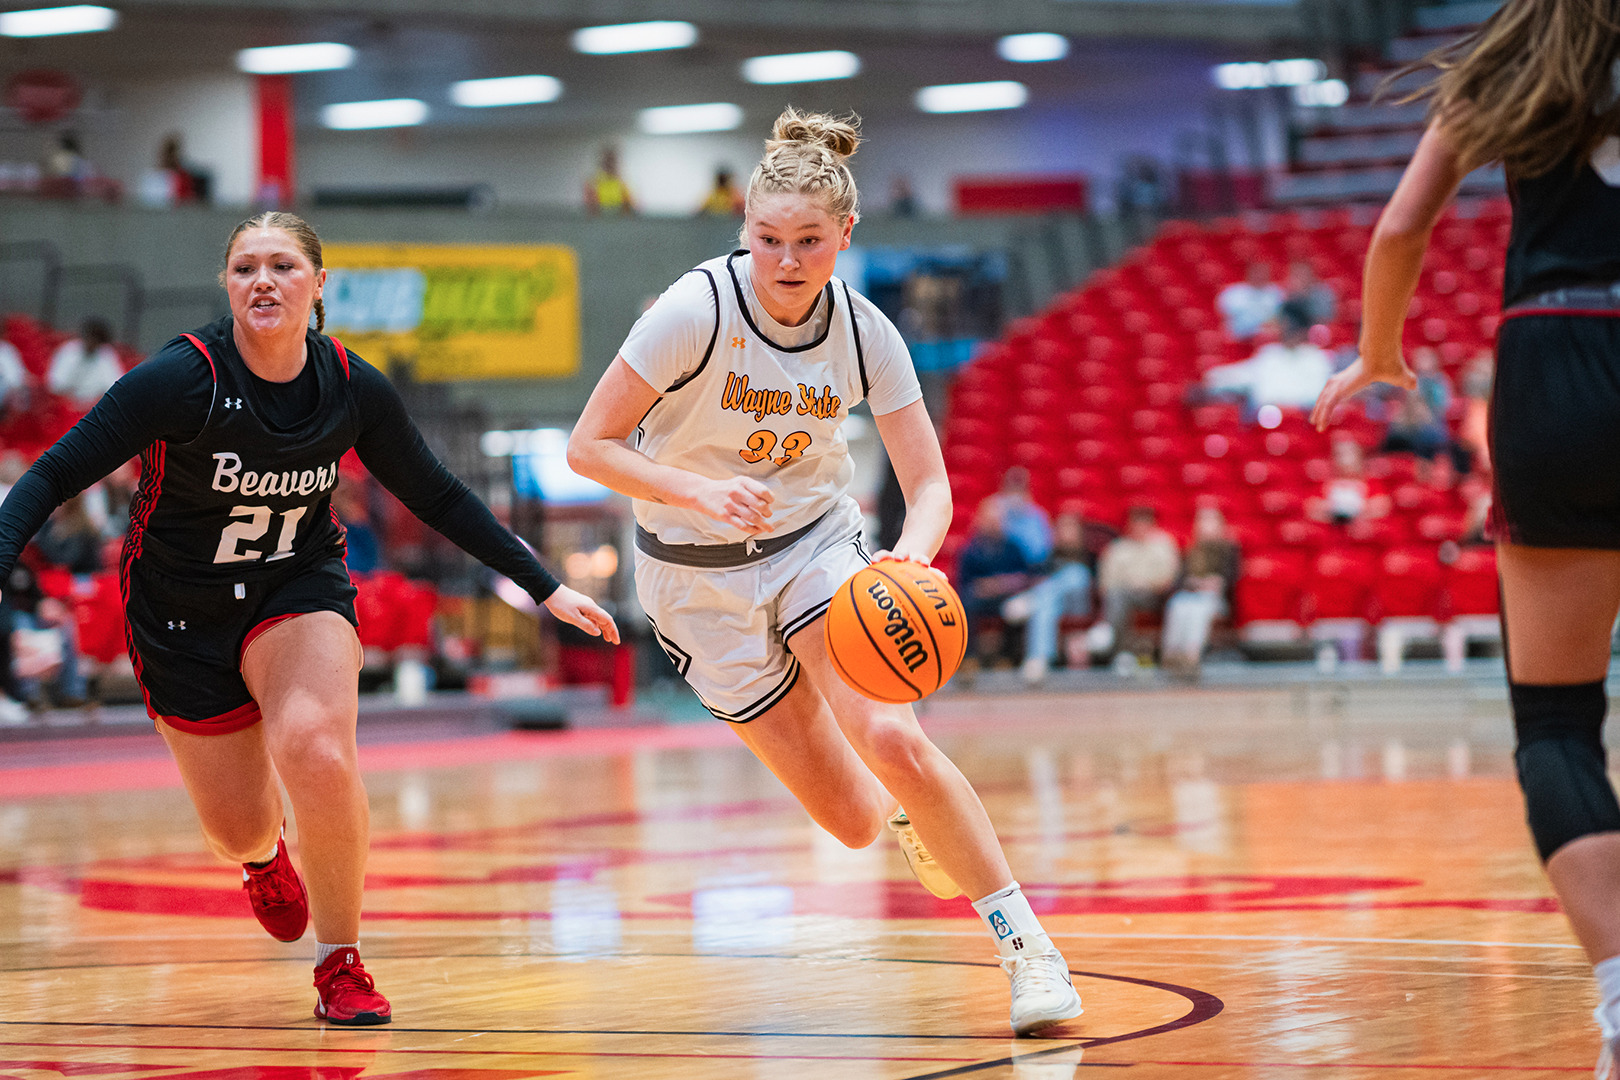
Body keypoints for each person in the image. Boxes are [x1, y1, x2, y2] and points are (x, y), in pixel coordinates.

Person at [0, 211, 618, 1027]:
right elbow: (52, 473)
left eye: (284, 266)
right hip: (178, 612)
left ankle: (341, 962)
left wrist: (543, 587)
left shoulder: (352, 386)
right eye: (246, 267)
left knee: (317, 748)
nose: (264, 280)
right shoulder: (178, 380)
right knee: (235, 829)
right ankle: (262, 858)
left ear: (318, 286)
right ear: (227, 286)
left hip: (296, 585)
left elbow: (437, 494)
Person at [567, 107, 1084, 1036]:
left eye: (810, 241)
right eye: (768, 240)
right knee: (850, 821)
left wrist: (907, 560)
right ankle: (904, 821)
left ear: (846, 234)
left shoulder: (866, 331)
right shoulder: (696, 310)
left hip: (816, 549)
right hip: (695, 583)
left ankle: (1027, 948)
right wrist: (692, 490)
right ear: (746, 234)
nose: (788, 261)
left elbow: (929, 485)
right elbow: (589, 447)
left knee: (894, 739)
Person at [1307, 4, 1620, 1072]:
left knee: (1559, 725)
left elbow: (1399, 229)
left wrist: (1379, 352)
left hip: (1552, 354)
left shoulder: (1517, 54)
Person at [1002, 511, 1092, 683]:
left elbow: (1093, 582)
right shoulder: (1049, 556)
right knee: (1046, 605)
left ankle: (1031, 600)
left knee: (1076, 575)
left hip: (1079, 602)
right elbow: (1037, 577)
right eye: (1062, 528)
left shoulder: (1089, 554)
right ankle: (1038, 659)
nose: (1066, 533)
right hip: (1056, 605)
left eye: (1070, 528)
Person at [1203, 300, 1333, 415]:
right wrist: (1212, 377)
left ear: (1303, 330)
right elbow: (1240, 375)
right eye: (1284, 327)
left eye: (1291, 328)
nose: (1287, 332)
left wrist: (1286, 407)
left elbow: (1315, 397)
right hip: (1266, 423)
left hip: (1304, 428)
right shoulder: (1269, 354)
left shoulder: (1318, 359)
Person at [1093, 504, 1180, 660]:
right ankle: (1120, 652)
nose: (1140, 526)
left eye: (1144, 521)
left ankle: (1113, 648)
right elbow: (1106, 583)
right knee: (1116, 597)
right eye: (1136, 522)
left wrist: (1146, 583)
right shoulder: (1118, 548)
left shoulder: (1163, 544)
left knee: (1118, 597)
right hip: (1123, 595)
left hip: (1154, 596)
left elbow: (1169, 578)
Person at [1159, 505, 1240, 673]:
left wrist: (1216, 582)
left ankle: (1191, 655)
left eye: (1210, 521)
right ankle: (1171, 654)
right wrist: (1195, 583)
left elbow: (1231, 577)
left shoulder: (1229, 549)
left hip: (1215, 599)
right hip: (1190, 595)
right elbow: (1180, 580)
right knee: (1178, 604)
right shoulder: (1191, 550)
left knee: (1199, 609)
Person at [956, 500, 1035, 667]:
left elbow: (1025, 577)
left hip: (1006, 597)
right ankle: (968, 658)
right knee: (964, 603)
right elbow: (964, 581)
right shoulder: (971, 549)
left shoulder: (1013, 546)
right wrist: (984, 587)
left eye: (997, 520)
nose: (993, 524)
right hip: (979, 598)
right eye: (989, 520)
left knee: (1018, 607)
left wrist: (1000, 584)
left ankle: (1008, 658)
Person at [1307, 437, 1392, 526]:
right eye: (1340, 456)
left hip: (1362, 528)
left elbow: (1382, 507)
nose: (1345, 460)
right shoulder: (1325, 482)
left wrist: (1357, 512)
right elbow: (1312, 508)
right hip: (1332, 528)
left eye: (1350, 455)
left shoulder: (1372, 482)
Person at [47, 318, 123, 408]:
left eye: (97, 340)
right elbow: (55, 384)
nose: (93, 343)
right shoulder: (68, 350)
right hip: (65, 406)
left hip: (94, 408)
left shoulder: (107, 354)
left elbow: (114, 386)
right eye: (92, 338)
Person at [986, 465, 1053, 566]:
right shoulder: (992, 508)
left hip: (1028, 569)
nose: (1015, 492)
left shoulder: (1038, 514)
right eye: (1012, 486)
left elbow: (1042, 551)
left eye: (1020, 487)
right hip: (997, 567)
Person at [1216, 260, 1283, 340]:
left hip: (1266, 338)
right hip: (1238, 338)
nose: (1259, 276)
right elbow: (1224, 317)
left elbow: (1279, 317)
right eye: (1256, 272)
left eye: (1262, 273)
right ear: (1248, 273)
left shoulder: (1276, 293)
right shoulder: (1232, 293)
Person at [1284, 259, 1338, 326]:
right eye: (1296, 276)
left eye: (1302, 275)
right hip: (1295, 334)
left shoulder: (1323, 294)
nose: (1299, 280)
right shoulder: (1290, 299)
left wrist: (1304, 298)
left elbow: (1324, 319)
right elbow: (1285, 323)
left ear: (1311, 275)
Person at [584, 145, 634, 215]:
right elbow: (590, 207)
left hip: (619, 222)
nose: (610, 164)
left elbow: (629, 207)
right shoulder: (593, 183)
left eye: (613, 161)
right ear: (602, 162)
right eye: (608, 161)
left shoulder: (623, 183)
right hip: (599, 221)